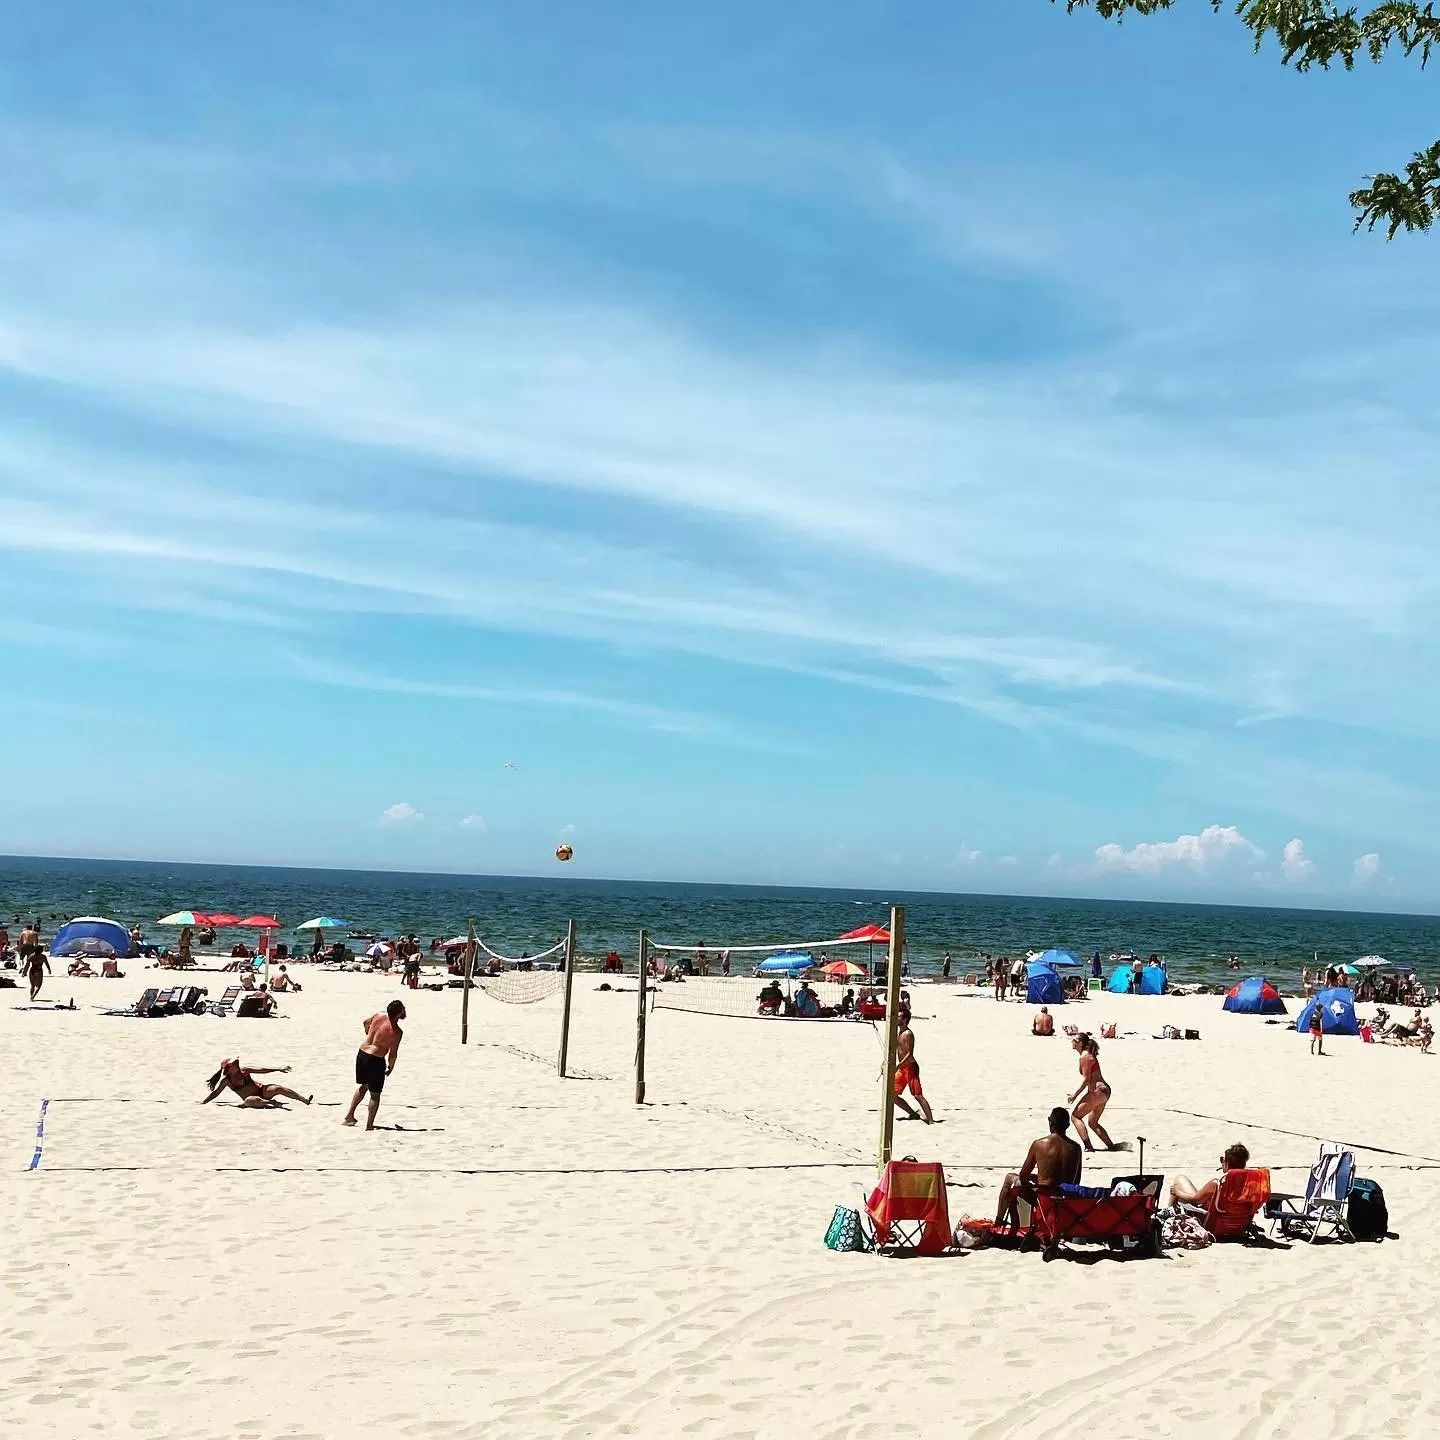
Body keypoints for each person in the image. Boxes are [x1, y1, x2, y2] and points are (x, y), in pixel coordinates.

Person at [995, 1106, 1083, 1229]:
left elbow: (1023, 1177)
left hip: (1043, 1199)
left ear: (1050, 1123)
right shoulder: (1076, 1148)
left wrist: (1039, 1179)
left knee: (1010, 1177)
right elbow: (1076, 1182)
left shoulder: (1039, 1144)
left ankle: (999, 1222)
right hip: (1065, 1199)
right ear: (1067, 1126)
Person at [343, 1000, 406, 1130]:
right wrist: (391, 1067)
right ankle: (369, 1125)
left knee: (364, 1086)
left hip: (362, 1053)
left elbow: (365, 1022)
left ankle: (349, 1116)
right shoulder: (397, 1032)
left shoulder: (378, 1015)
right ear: (399, 1013)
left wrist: (369, 1033)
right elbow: (393, 1054)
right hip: (375, 1059)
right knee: (375, 1095)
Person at [1169, 1142, 1251, 1211]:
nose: (1222, 1163)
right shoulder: (1249, 1186)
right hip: (1238, 1222)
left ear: (1227, 1164)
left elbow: (1195, 1200)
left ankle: (1167, 1212)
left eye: (1222, 1160)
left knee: (1179, 1180)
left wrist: (1177, 1192)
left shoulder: (1217, 1185)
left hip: (1210, 1221)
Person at [202, 1057, 312, 1108]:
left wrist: (278, 1069)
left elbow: (261, 1070)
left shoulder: (244, 1070)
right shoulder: (227, 1081)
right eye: (235, 1063)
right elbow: (216, 1093)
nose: (237, 1063)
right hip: (252, 1099)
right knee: (249, 1101)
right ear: (229, 1068)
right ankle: (272, 1102)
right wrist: (204, 1102)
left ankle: (304, 1100)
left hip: (262, 1090)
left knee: (278, 1088)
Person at [1068, 1032, 1114, 1151]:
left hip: (1097, 1092)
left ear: (1081, 1043)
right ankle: (1111, 1146)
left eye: (1075, 1040)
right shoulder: (1087, 1055)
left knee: (1075, 1117)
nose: (1072, 1041)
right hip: (1103, 1091)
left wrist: (1075, 1095)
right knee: (1093, 1122)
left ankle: (1088, 1147)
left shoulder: (1085, 1057)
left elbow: (1086, 1079)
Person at [892, 1014, 934, 1124]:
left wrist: (898, 1065)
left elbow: (909, 1054)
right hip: (902, 1068)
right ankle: (913, 1114)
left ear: (904, 1019)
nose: (896, 1018)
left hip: (910, 1067)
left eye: (899, 1016)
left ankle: (931, 1120)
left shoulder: (908, 1034)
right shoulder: (899, 1032)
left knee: (917, 1095)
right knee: (892, 1094)